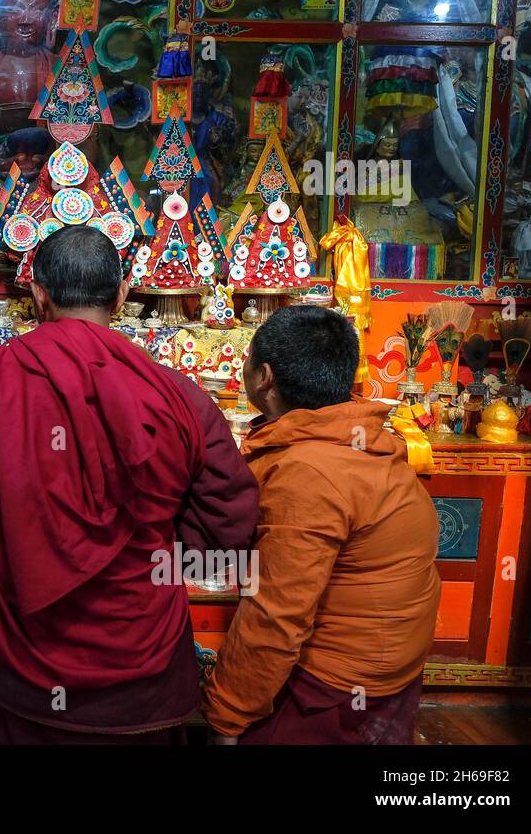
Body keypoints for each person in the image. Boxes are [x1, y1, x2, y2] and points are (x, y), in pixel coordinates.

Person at [0, 225, 260, 743]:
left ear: (37, 292)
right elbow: (230, 524)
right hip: (145, 661)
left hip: (29, 662)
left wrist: (11, 568)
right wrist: (156, 550)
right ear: (122, 295)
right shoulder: (177, 396)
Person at [202, 306, 441, 744]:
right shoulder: (363, 435)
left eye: (247, 358)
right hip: (394, 664)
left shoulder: (308, 474)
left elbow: (276, 617)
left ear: (265, 377)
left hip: (334, 682)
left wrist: (227, 717)